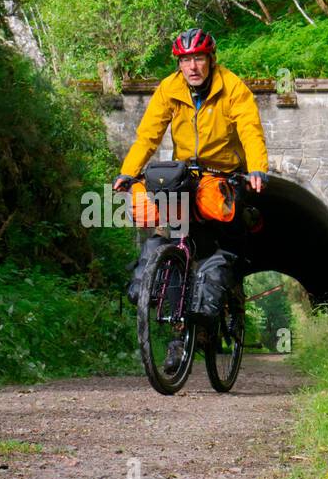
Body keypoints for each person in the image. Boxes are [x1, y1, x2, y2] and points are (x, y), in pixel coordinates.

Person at [113, 28, 270, 372]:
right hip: (187, 176)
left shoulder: (233, 88)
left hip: (224, 176)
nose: (192, 67)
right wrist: (128, 172)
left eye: (198, 58)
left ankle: (225, 303)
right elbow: (149, 134)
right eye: (185, 60)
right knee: (175, 242)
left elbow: (250, 130)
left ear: (211, 60)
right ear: (179, 64)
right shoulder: (170, 88)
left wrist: (256, 168)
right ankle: (181, 330)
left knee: (224, 247)